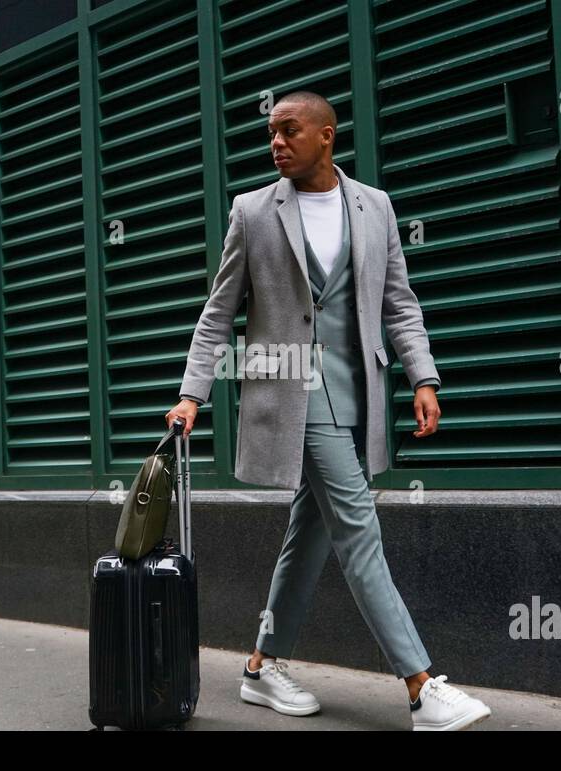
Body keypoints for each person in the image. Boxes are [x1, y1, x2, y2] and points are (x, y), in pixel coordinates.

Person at [165, 91, 490, 731]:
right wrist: (192, 392)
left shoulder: (375, 206)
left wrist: (423, 375)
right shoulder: (253, 212)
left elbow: (399, 300)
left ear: (326, 137)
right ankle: (421, 686)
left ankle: (261, 666)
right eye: (271, 133)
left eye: (289, 131)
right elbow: (217, 313)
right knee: (358, 529)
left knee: (309, 535)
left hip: (358, 392)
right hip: (293, 393)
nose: (276, 142)